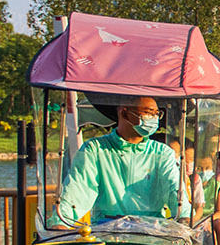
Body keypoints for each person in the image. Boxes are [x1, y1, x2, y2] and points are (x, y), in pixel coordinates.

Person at [51, 96, 188, 226]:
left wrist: (184, 216)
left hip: (151, 231)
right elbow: (78, 188)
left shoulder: (161, 152)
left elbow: (174, 187)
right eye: (148, 113)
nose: (153, 118)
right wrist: (60, 222)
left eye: (156, 114)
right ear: (124, 113)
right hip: (107, 231)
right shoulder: (95, 149)